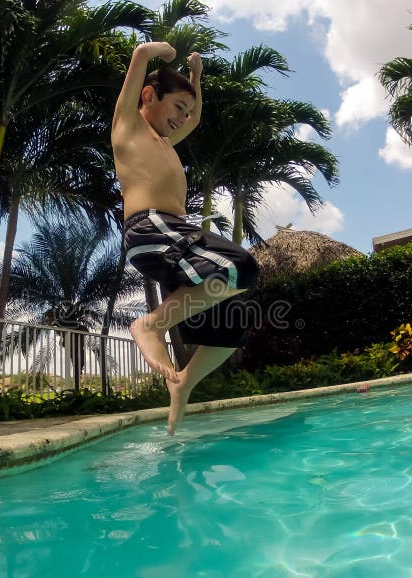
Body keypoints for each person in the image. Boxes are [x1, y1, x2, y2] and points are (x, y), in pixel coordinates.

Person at [111, 41, 259, 435]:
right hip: (150, 229)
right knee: (241, 266)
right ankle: (150, 325)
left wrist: (196, 81)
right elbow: (139, 63)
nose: (183, 118)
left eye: (187, 111)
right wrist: (150, 53)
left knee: (235, 320)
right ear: (149, 95)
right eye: (177, 106)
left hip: (174, 237)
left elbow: (194, 122)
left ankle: (183, 383)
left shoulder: (165, 142)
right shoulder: (129, 127)